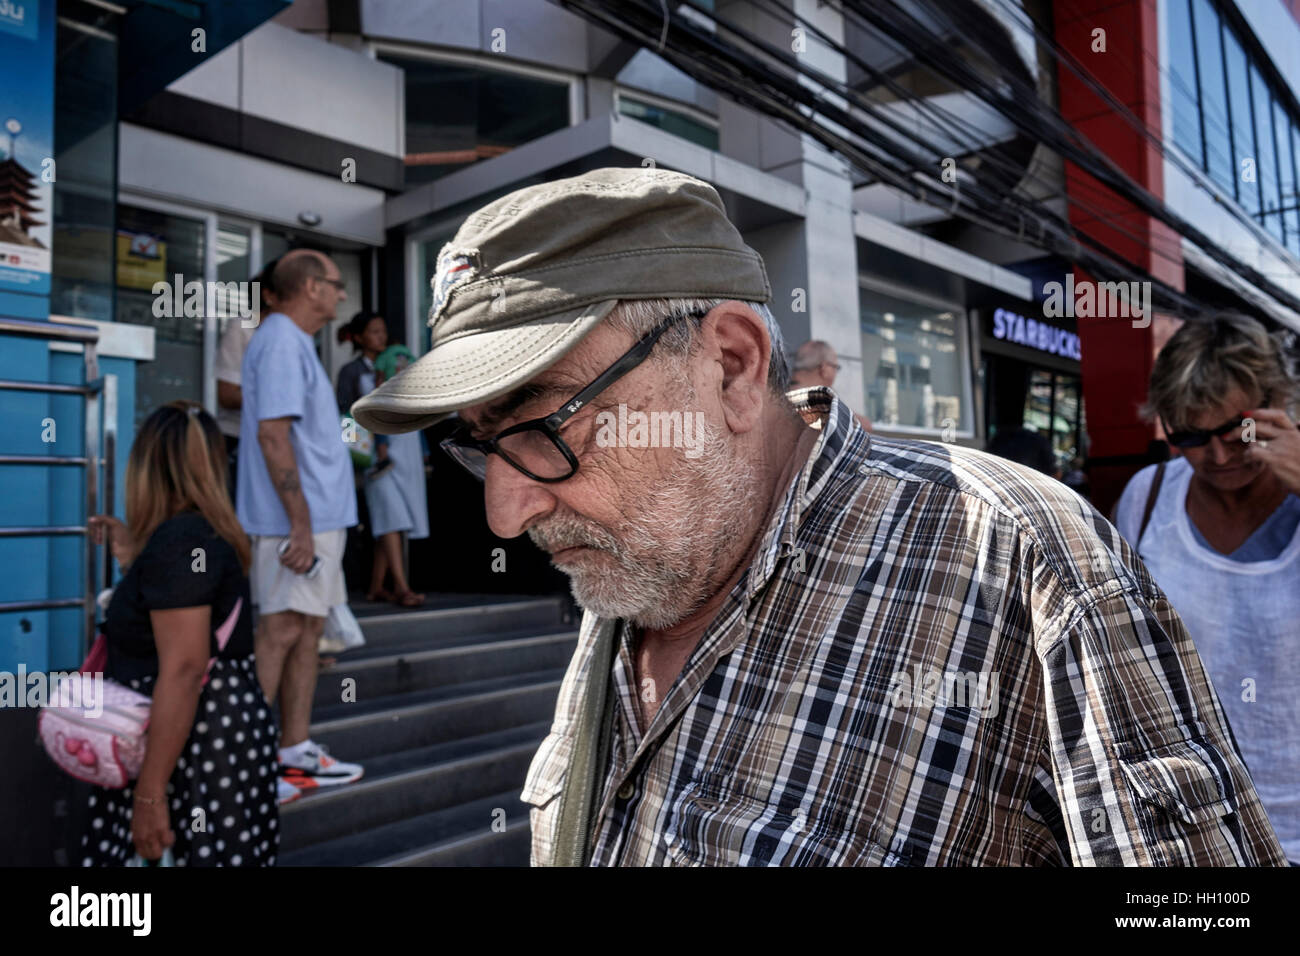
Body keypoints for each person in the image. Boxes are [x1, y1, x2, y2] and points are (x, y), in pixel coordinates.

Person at [352, 168, 1285, 867]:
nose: (507, 514)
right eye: (481, 442)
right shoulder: (640, 563)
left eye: (549, 424)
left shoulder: (1017, 559)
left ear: (730, 363)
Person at [1113, 313, 1300, 865]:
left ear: (1276, 406)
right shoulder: (1148, 498)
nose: (1217, 458)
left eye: (1236, 432)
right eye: (1190, 437)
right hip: (1187, 822)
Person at [84, 402, 278, 865]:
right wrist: (133, 559)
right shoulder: (193, 537)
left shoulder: (183, 541)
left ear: (148, 465)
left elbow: (185, 667)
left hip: (187, 752)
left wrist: (150, 797)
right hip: (202, 743)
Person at [237, 248, 363, 804]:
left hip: (313, 521)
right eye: (335, 285)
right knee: (283, 630)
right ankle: (242, 764)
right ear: (311, 287)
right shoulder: (284, 340)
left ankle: (291, 752)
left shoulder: (289, 341)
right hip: (298, 525)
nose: (341, 294)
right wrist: (301, 524)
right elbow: (272, 435)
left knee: (306, 631)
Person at [336, 313, 429, 605]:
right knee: (391, 516)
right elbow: (344, 413)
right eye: (373, 332)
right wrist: (353, 455)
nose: (380, 336)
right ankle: (402, 587)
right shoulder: (351, 371)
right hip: (375, 454)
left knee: (391, 520)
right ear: (360, 337)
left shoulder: (397, 361)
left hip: (404, 447)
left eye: (382, 331)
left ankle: (377, 587)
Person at [215, 260, 280, 500]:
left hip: (278, 441)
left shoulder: (293, 335)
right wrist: (277, 398)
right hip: (239, 440)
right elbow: (227, 394)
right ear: (268, 295)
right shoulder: (243, 327)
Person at [791, 339, 871, 430]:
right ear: (824, 369)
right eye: (835, 367)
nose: (836, 373)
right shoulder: (813, 401)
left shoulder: (781, 394)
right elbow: (865, 426)